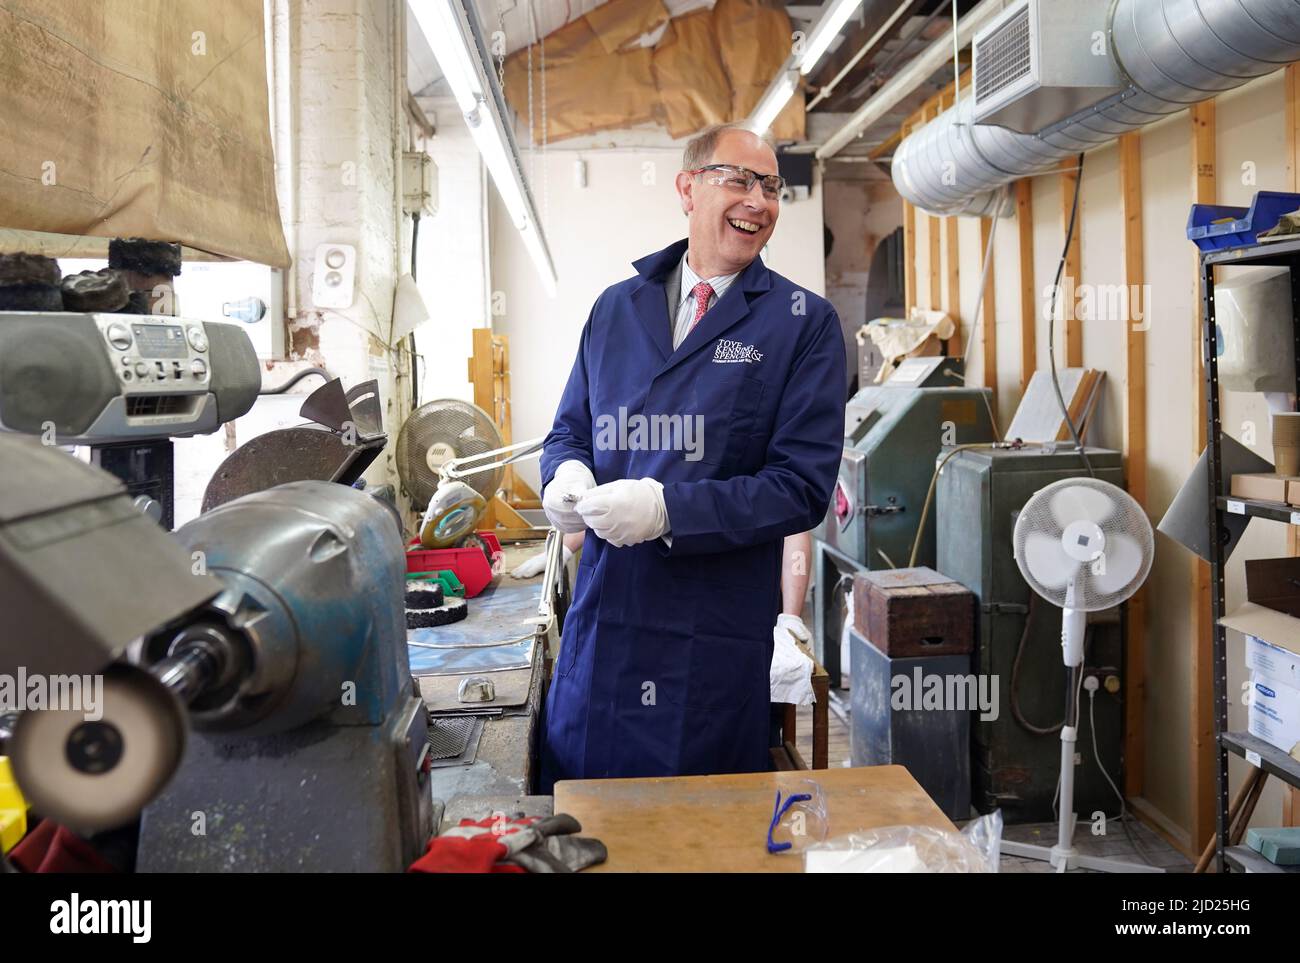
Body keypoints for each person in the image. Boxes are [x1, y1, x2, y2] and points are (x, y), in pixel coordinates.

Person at [538, 123, 845, 788]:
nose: (759, 201)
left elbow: (800, 486)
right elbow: (570, 429)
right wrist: (564, 474)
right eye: (739, 179)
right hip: (607, 615)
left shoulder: (802, 323)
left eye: (770, 186)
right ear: (687, 188)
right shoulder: (618, 308)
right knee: (583, 808)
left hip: (707, 635)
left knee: (696, 830)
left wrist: (665, 509)